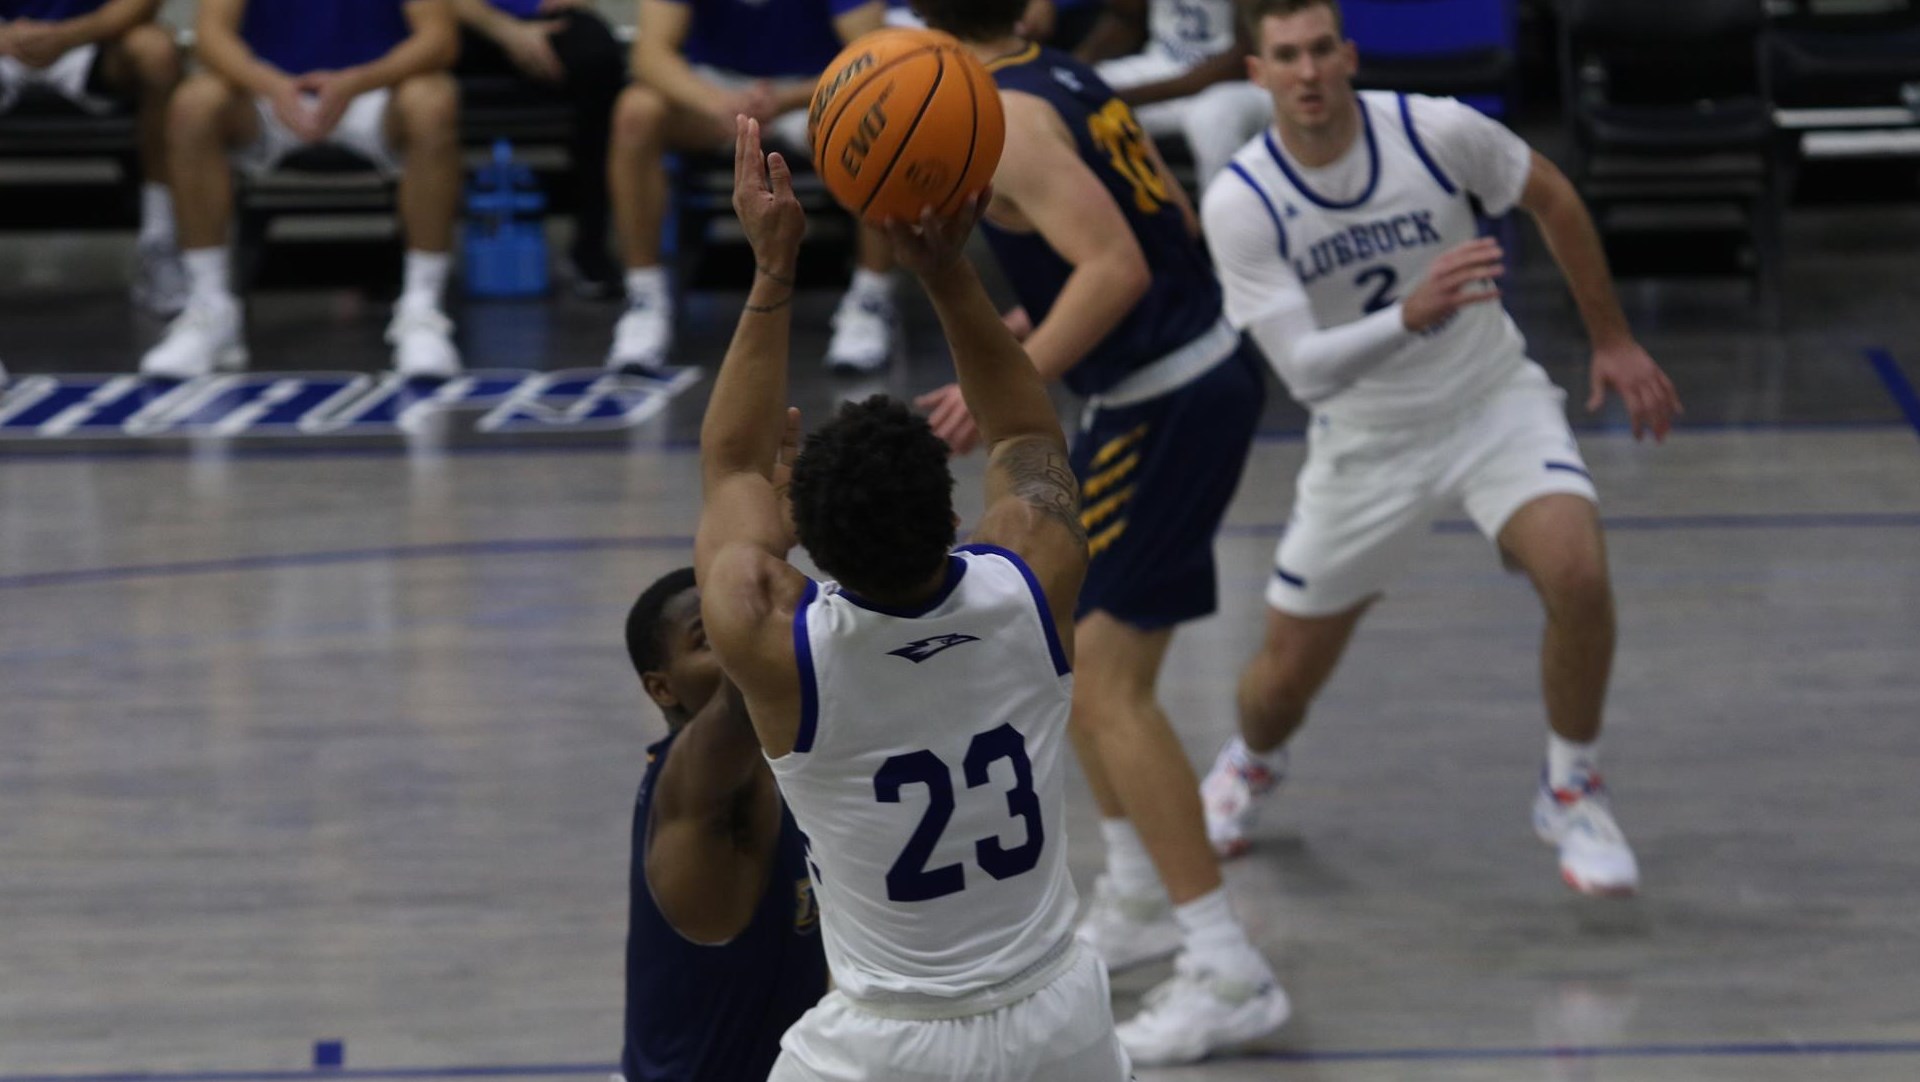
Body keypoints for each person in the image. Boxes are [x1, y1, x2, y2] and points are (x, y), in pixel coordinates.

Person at [1198, 0, 1684, 898]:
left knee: (1576, 572)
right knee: (1277, 685)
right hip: (1368, 439)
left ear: (1348, 55)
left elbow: (1553, 196)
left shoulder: (1434, 131)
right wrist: (1407, 315)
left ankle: (1571, 784)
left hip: (1490, 398)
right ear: (1256, 73)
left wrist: (1611, 339)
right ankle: (1253, 763)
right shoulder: (1242, 202)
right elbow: (1304, 371)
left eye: (1319, 50)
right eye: (1285, 57)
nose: (1307, 72)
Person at [697, 116, 1129, 1081]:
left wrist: (773, 268)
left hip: (888, 1046)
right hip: (1060, 1023)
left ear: (804, 538)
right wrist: (942, 266)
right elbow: (1024, 427)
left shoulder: (783, 645)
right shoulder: (1031, 577)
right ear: (952, 512)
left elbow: (729, 461)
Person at [911, 0, 1288, 1066]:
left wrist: (1011, 379)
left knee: (1109, 683)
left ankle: (1226, 964)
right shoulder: (1063, 75)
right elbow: (1156, 215)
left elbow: (1115, 266)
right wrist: (1032, 325)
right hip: (1173, 378)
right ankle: (1135, 891)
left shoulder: (1006, 116)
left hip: (1168, 394)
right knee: (1069, 653)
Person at [139, 0, 464, 379]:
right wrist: (272, 85)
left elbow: (440, 40)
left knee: (434, 102)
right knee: (193, 105)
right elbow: (211, 37)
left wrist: (356, 81)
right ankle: (209, 308)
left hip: (375, 90)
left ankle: (422, 311)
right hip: (271, 93)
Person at [604, 0, 898, 376]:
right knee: (635, 114)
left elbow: (874, 55)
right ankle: (644, 295)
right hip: (714, 90)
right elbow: (649, 55)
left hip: (814, 90)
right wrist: (719, 102)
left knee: (878, 121)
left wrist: (784, 100)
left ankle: (872, 297)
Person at [617, 565, 829, 1081]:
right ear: (662, 689)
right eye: (709, 639)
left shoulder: (780, 765)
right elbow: (752, 673)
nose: (738, 643)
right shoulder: (698, 787)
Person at [0, 0, 185, 315]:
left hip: (89, 42)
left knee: (158, 51)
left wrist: (67, 35)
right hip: (5, 40)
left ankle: (161, 243)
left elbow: (140, 6)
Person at [449, 0, 626, 297]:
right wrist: (507, 31)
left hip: (546, 19)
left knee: (601, 58)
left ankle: (591, 248)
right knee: (418, 64)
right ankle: (411, 263)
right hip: (456, 21)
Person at [1074, 0, 1271, 184]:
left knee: (1212, 119)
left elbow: (1243, 57)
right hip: (1162, 65)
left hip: (1240, 82)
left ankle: (1224, 215)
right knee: (1074, 94)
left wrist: (1125, 98)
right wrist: (1071, 70)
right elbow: (1125, 19)